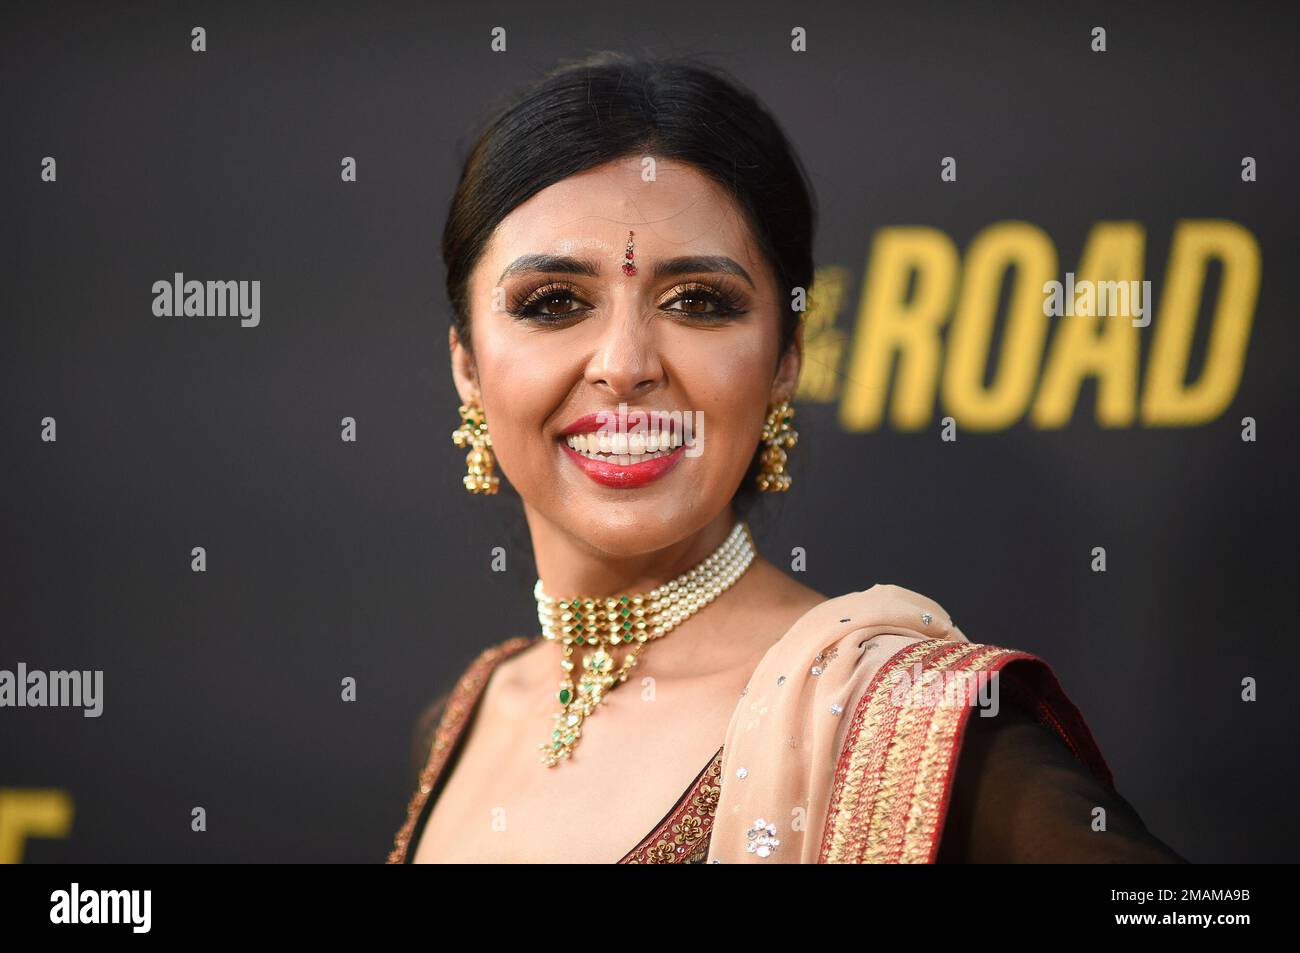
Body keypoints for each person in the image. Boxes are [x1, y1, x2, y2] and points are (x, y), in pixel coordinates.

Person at [387, 52, 1184, 864]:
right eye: (554, 303)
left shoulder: (894, 725)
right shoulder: (472, 711)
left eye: (697, 302)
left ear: (785, 359)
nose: (624, 364)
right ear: (467, 365)